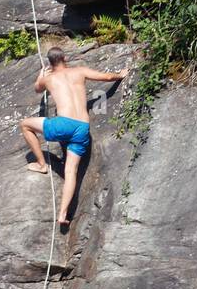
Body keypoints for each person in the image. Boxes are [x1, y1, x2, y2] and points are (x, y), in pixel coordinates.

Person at [18, 47, 127, 231]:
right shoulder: (80, 71)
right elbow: (107, 77)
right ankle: (62, 213)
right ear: (65, 58)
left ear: (50, 64)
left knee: (25, 125)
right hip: (82, 129)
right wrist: (120, 74)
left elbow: (37, 89)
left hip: (63, 125)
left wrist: (40, 75)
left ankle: (42, 165)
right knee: (71, 171)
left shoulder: (48, 78)